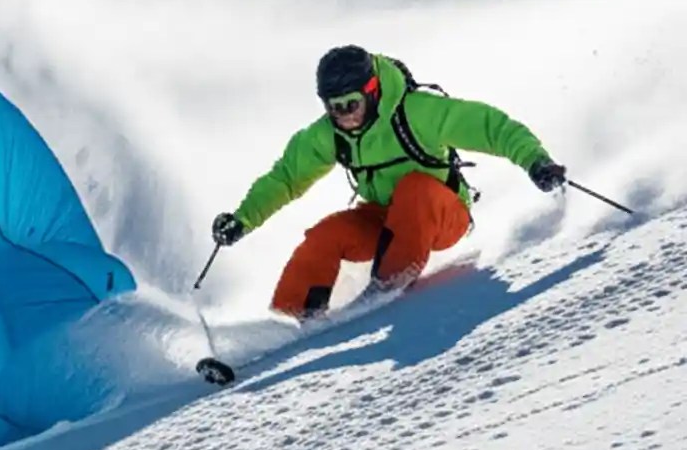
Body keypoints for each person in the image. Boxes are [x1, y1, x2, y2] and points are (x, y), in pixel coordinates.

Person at [211, 45, 567, 321]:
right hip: (384, 220)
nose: (344, 116)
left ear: (372, 90)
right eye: (333, 107)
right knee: (326, 234)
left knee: (415, 189)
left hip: (442, 214)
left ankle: (386, 289)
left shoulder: (417, 112)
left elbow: (492, 127)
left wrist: (536, 162)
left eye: (351, 104)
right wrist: (242, 220)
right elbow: (285, 178)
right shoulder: (327, 135)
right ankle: (291, 322)